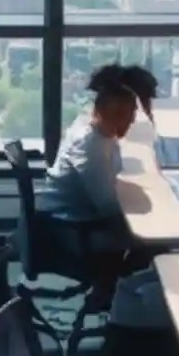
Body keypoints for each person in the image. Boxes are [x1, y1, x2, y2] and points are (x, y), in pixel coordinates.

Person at [38, 63, 155, 301]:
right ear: (101, 111)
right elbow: (107, 206)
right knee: (153, 242)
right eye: (120, 117)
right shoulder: (91, 144)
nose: (126, 124)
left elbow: (114, 172)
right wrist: (148, 202)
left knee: (148, 232)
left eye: (130, 117)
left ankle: (109, 287)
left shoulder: (95, 128)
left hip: (71, 217)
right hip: (69, 227)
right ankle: (113, 295)